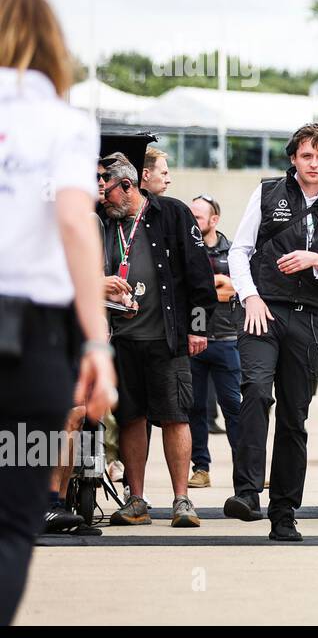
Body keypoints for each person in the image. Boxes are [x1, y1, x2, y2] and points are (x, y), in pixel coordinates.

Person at [0, 0, 116, 623]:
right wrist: (97, 342)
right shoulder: (65, 123)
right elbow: (76, 221)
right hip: (29, 341)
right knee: (12, 525)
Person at [226, 123, 318, 541]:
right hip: (262, 311)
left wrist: (315, 260)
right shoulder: (266, 193)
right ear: (293, 158)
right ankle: (247, 493)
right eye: (307, 156)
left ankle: (284, 512)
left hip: (310, 318)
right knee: (255, 390)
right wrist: (249, 296)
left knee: (294, 418)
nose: (314, 164)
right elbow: (239, 251)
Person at [100, 152, 216, 528]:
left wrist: (198, 327)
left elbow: (200, 273)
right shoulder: (103, 222)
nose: (103, 195)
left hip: (166, 337)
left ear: (129, 186)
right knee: (131, 416)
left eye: (109, 189)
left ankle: (182, 500)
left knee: (174, 416)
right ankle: (137, 500)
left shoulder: (172, 214)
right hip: (120, 338)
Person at [186, 195, 243, 489]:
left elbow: (240, 289)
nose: (193, 222)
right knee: (195, 408)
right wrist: (216, 287)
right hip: (194, 341)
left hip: (227, 339)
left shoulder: (233, 252)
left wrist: (227, 287)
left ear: (214, 220)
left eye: (197, 217)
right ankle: (201, 468)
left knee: (234, 406)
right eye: (190, 216)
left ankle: (245, 467)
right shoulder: (186, 250)